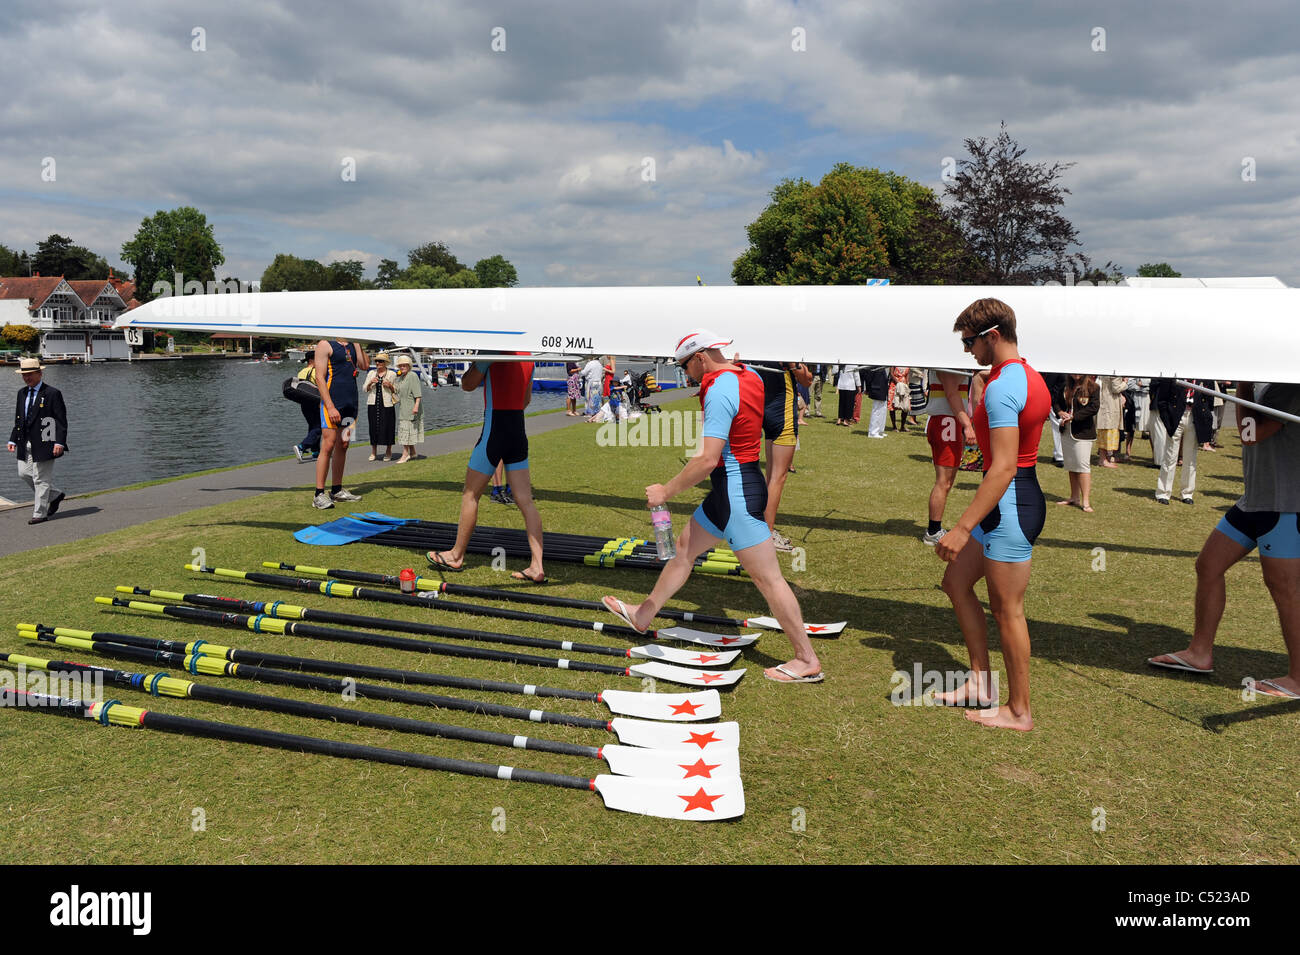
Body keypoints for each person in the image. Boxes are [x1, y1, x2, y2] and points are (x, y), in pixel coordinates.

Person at [601, 330, 822, 683]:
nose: (685, 374)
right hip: (729, 490)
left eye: (685, 366)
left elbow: (707, 460)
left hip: (736, 492)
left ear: (701, 357)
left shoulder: (720, 388)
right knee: (685, 550)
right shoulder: (746, 374)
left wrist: (665, 492)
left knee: (768, 579)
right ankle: (643, 615)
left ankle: (806, 659)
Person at [934, 299, 1050, 731]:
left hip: (1011, 506)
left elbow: (1003, 466)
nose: (968, 351)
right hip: (1007, 502)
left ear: (993, 336)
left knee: (1008, 611)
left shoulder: (1004, 386)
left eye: (970, 342)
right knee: (955, 582)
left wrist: (962, 527)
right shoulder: (1023, 375)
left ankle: (1020, 711)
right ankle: (981, 683)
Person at [1148, 380, 1300, 699]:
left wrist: (1242, 385)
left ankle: (1298, 677)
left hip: (1285, 503)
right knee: (1209, 565)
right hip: (1255, 500)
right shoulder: (1270, 384)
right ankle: (1200, 652)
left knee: (1284, 589)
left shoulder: (1288, 387)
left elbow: (1249, 435)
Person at [427, 354, 545, 583]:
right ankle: (537, 566)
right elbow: (525, 400)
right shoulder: (529, 358)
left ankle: (455, 555)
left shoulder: (493, 352)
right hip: (517, 430)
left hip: (495, 430)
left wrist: (480, 362)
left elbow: (467, 385)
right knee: (526, 500)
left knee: (470, 495)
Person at [754, 361, 812, 552]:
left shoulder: (758, 349)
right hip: (782, 414)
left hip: (763, 410)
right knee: (778, 476)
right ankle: (767, 534)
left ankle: (761, 528)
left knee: (771, 475)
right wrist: (794, 364)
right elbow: (807, 380)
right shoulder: (786, 351)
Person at [7, 357, 68, 524]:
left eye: (30, 374)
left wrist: (59, 442)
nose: (27, 378)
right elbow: (19, 419)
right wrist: (13, 439)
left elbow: (61, 420)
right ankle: (55, 495)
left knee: (41, 479)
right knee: (24, 473)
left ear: (40, 373)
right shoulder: (22, 393)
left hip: (46, 442)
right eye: (24, 375)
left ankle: (40, 514)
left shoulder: (52, 393)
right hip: (24, 441)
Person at [919, 369, 974, 545]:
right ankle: (933, 530)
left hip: (948, 421)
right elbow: (951, 393)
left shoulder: (951, 362)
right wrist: (967, 424)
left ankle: (934, 529)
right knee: (944, 481)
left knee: (947, 481)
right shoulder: (947, 362)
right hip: (946, 421)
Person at [313, 337, 369, 509]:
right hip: (332, 403)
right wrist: (330, 407)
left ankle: (336, 490)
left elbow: (364, 366)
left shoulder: (353, 344)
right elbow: (319, 378)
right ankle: (318, 494)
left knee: (343, 444)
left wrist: (358, 342)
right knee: (328, 445)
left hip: (350, 404)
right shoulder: (325, 344)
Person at [1055, 374, 1099, 512]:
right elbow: (1054, 401)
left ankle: (1085, 501)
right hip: (1066, 431)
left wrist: (1074, 417)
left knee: (1082, 466)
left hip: (1082, 432)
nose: (1076, 375)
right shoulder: (1065, 386)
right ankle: (1074, 497)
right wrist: (1060, 412)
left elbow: (1094, 407)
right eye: (1073, 372)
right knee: (1071, 465)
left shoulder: (1093, 387)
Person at [1152, 378, 1198, 504]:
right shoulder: (1173, 374)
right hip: (1176, 416)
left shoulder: (1201, 373)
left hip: (1194, 416)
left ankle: (1187, 493)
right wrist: (1168, 421)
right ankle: (1163, 493)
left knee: (1190, 458)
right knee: (1170, 456)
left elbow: (1208, 398)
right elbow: (1162, 400)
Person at [363, 352, 398, 461]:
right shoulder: (371, 373)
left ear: (385, 363)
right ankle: (373, 452)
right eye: (376, 361)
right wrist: (370, 383)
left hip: (387, 404)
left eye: (380, 361)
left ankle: (388, 451)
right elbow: (364, 389)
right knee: (373, 427)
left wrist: (390, 386)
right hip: (373, 404)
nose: (378, 363)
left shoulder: (392, 374)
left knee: (388, 427)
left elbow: (397, 391)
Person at [393, 354, 424, 463]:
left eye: (404, 365)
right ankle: (413, 452)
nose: (402, 367)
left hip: (411, 408)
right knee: (406, 431)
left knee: (405, 432)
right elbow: (397, 391)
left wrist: (416, 406)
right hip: (403, 408)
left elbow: (418, 394)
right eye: (400, 365)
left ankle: (405, 455)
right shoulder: (401, 377)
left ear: (409, 365)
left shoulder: (412, 375)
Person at [292, 350, 321, 462]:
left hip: (304, 403)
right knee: (320, 427)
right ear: (312, 360)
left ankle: (315, 451)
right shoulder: (315, 371)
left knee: (313, 425)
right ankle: (302, 447)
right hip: (316, 402)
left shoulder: (301, 372)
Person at [1096, 375, 1127, 467]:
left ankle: (1107, 458)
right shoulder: (1115, 372)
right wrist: (1125, 382)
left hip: (1106, 401)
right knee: (1107, 430)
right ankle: (1103, 459)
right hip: (1110, 403)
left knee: (1106, 430)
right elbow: (1116, 388)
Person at [864, 366, 889, 437]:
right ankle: (873, 432)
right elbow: (868, 377)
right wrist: (868, 389)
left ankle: (880, 430)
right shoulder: (874, 365)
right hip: (877, 389)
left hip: (883, 389)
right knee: (876, 411)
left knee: (882, 411)